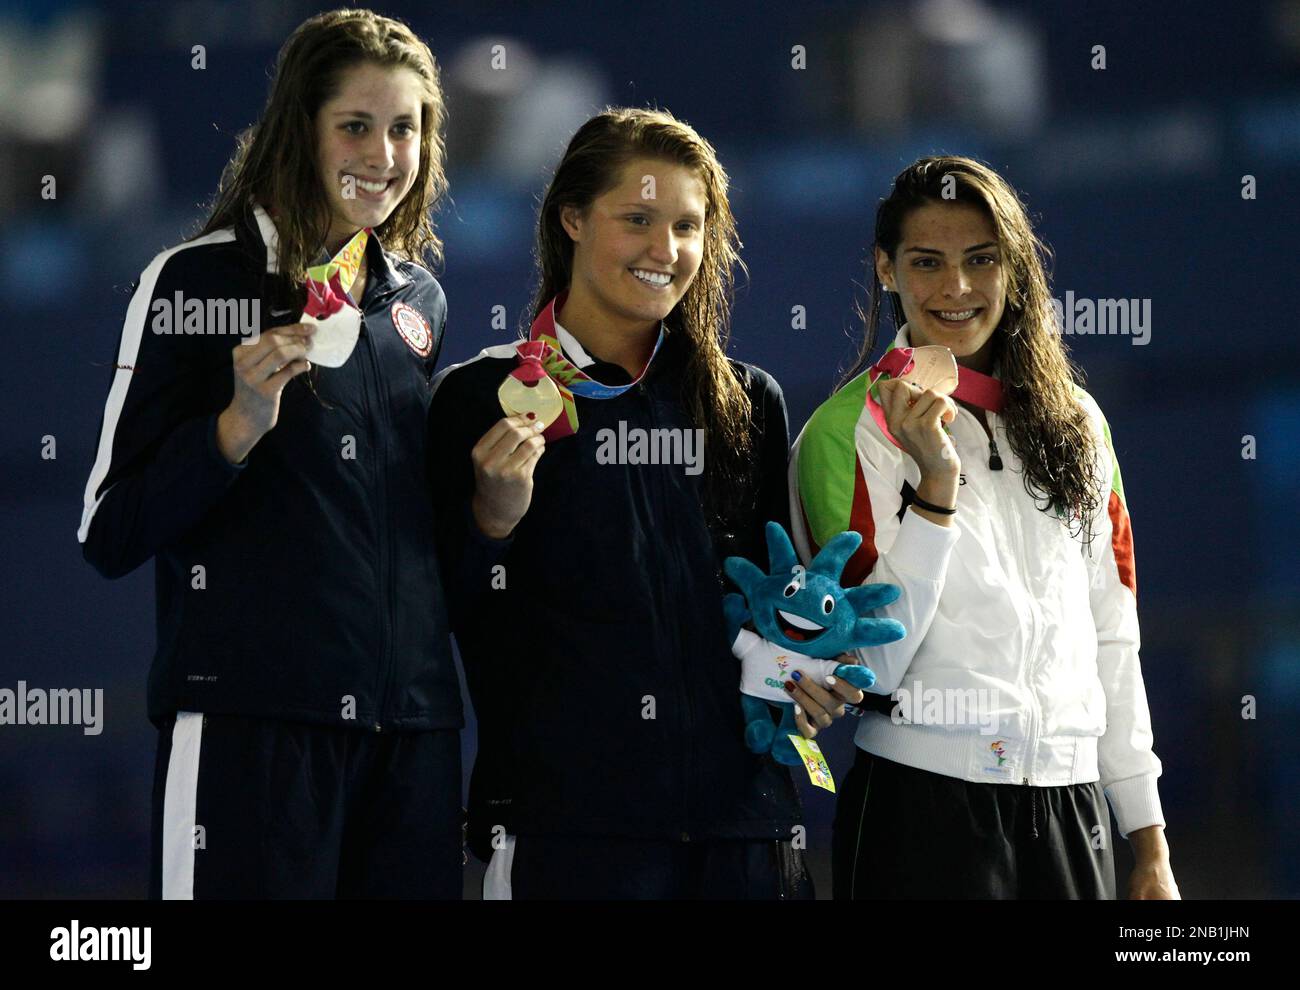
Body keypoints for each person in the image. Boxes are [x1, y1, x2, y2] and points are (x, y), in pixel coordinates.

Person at [428, 107, 862, 899]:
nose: (666, 250)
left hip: (748, 832)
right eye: (637, 219)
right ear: (571, 219)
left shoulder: (747, 402)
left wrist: (807, 674)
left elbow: (780, 599)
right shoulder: (478, 398)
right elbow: (442, 619)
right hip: (571, 836)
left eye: (688, 226)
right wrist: (491, 521)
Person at [78, 9, 464, 899]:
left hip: (412, 735)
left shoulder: (419, 305)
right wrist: (237, 425)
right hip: (250, 729)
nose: (383, 153)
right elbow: (110, 530)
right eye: (355, 126)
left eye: (404, 127)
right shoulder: (193, 282)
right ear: (302, 129)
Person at [791, 156, 1179, 900]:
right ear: (886, 269)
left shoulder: (1079, 423)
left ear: (1014, 267)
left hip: (1074, 807)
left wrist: (1150, 842)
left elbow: (1112, 636)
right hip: (925, 803)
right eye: (927, 262)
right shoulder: (847, 430)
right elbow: (871, 668)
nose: (957, 288)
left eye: (981, 260)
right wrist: (936, 484)